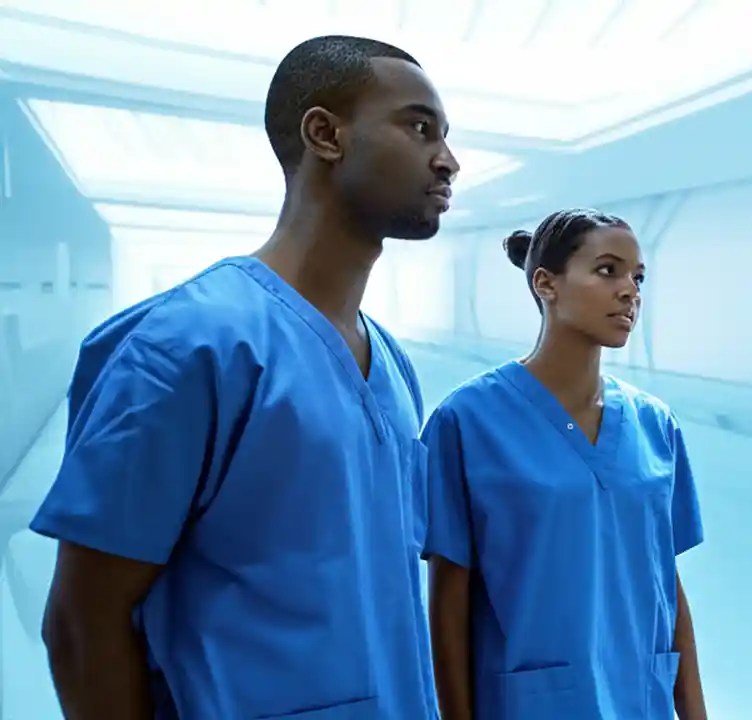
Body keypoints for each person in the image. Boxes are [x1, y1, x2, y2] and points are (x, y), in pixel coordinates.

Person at [29, 34, 459, 720]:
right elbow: (82, 629)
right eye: (418, 127)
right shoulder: (188, 345)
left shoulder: (391, 364)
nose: (448, 160)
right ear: (325, 134)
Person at [424, 209, 709, 719]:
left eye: (637, 277)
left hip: (641, 700)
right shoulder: (466, 422)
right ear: (545, 283)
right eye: (608, 271)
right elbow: (449, 605)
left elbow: (668, 583)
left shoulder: (655, 426)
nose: (630, 291)